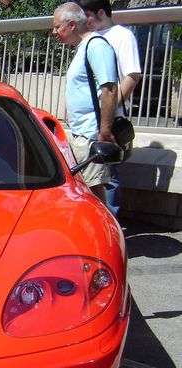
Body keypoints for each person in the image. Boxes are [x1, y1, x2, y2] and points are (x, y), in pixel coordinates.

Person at [75, 0, 141, 215]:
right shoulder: (91, 39)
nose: (85, 22)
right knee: (97, 176)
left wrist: (110, 107)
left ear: (101, 12)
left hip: (107, 119)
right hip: (90, 122)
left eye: (88, 17)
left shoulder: (122, 36)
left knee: (107, 176)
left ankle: (111, 228)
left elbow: (131, 75)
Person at [53, 2, 119, 204]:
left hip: (91, 136)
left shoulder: (96, 46)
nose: (54, 32)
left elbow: (110, 89)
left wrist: (104, 132)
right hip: (82, 134)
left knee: (95, 198)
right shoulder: (84, 48)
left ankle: (105, 234)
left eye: (57, 27)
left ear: (72, 24)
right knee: (87, 194)